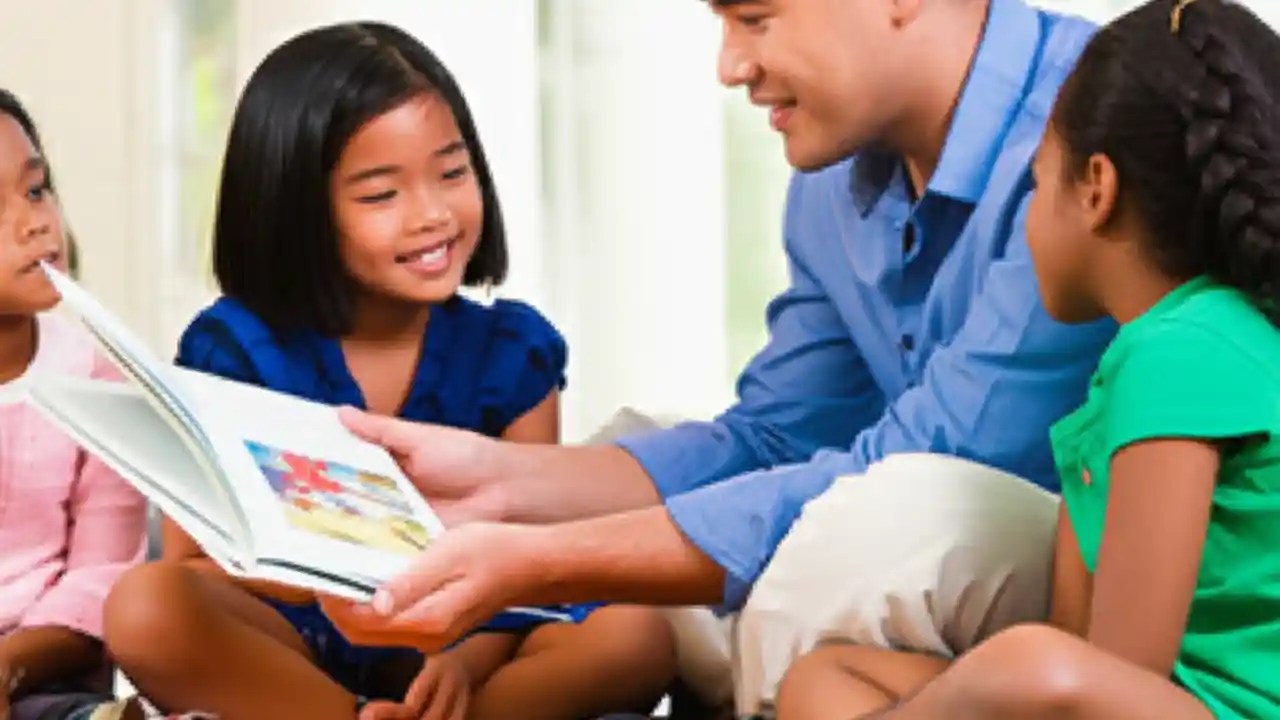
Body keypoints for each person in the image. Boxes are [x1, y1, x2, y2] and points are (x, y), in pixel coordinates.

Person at [323, 0, 1119, 712]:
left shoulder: (1092, 126)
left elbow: (929, 463)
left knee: (893, 514)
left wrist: (538, 561)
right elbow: (776, 436)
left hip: (1081, 572)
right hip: (906, 570)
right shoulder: (834, 179)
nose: (731, 66)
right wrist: (497, 482)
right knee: (626, 456)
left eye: (754, 19)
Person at [101, 23, 675, 720]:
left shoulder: (514, 349)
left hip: (473, 635)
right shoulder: (233, 350)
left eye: (452, 173)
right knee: (145, 606)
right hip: (301, 638)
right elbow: (192, 564)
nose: (433, 215)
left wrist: (462, 662)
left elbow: (529, 565)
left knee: (636, 634)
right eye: (381, 195)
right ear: (296, 215)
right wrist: (303, 579)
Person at [772, 1, 1280, 718]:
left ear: (1095, 190)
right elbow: (1083, 653)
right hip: (1144, 697)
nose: (1029, 220)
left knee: (1025, 660)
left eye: (1039, 183)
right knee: (827, 676)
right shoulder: (1127, 375)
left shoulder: (1185, 352)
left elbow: (1114, 677)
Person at [0, 89, 148, 720]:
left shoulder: (97, 380)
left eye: (36, 190)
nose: (35, 222)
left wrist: (6, 667)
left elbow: (102, 577)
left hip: (44, 675)